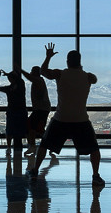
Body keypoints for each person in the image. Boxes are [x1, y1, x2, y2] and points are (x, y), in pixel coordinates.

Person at [26, 43, 104, 187]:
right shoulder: (88, 77)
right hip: (81, 119)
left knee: (44, 145)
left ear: (67, 61)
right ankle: (96, 176)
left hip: (61, 118)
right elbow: (94, 79)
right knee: (94, 149)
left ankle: (35, 171)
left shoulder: (60, 74)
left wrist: (48, 57)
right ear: (80, 62)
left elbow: (43, 71)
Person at [0, 68, 28, 156]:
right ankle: (15, 147)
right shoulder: (20, 86)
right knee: (18, 130)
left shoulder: (10, 88)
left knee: (10, 130)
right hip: (20, 110)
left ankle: (9, 148)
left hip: (13, 111)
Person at [21, 66, 52, 156]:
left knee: (30, 127)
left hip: (40, 109)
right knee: (36, 128)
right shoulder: (39, 81)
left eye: (32, 71)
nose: (30, 73)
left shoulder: (38, 81)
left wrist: (21, 70)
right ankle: (47, 144)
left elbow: (30, 78)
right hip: (41, 109)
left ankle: (33, 145)